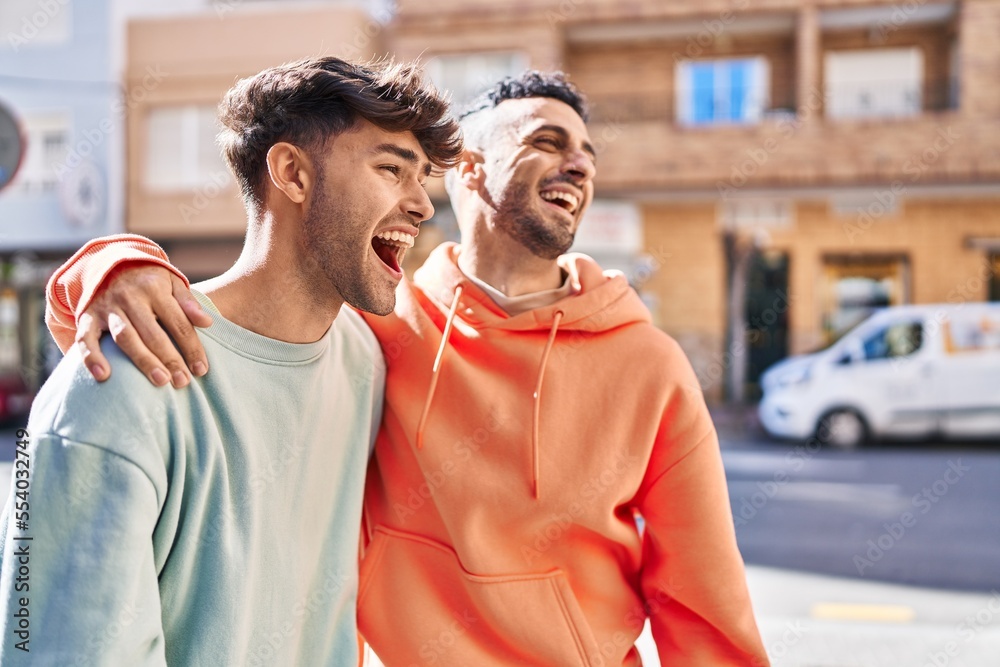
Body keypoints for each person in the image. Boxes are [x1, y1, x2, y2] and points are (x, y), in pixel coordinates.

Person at [43, 72, 770, 665]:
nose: (578, 161)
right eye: (548, 141)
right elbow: (262, 309)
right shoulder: (385, 329)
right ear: (474, 173)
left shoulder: (648, 364)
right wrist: (109, 266)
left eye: (586, 150)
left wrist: (110, 267)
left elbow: (704, 606)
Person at [0, 56, 461, 664]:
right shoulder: (120, 379)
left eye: (422, 177)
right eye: (391, 169)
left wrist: (111, 260)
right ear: (292, 174)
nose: (422, 204)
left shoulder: (365, 359)